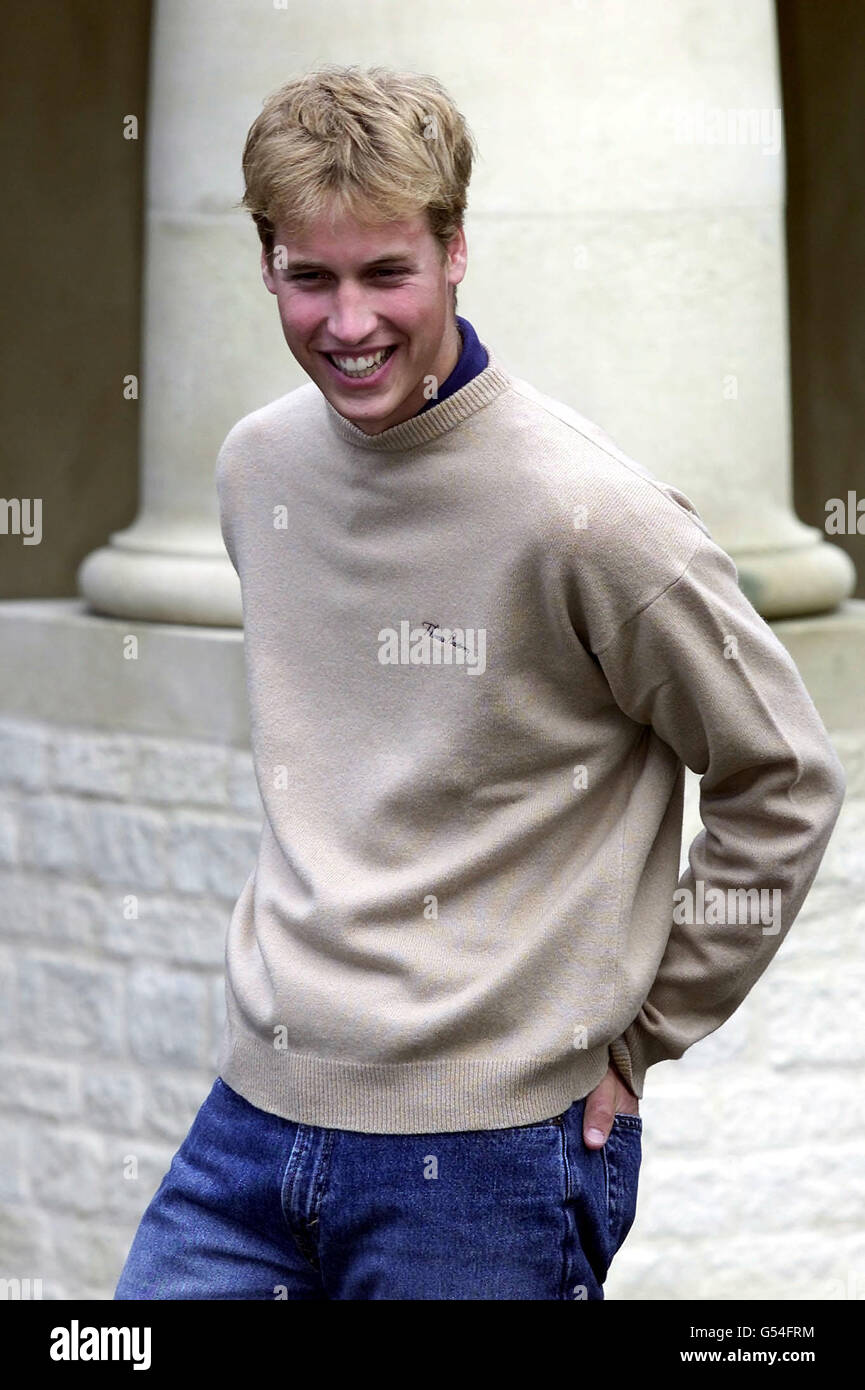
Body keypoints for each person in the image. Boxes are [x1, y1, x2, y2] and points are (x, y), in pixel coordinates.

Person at [114, 64, 846, 1301]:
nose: (347, 323)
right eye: (312, 277)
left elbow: (783, 776)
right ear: (267, 267)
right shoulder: (255, 470)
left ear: (455, 251)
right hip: (253, 1122)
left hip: (493, 1157)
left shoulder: (591, 515)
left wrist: (641, 1031)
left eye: (384, 272)